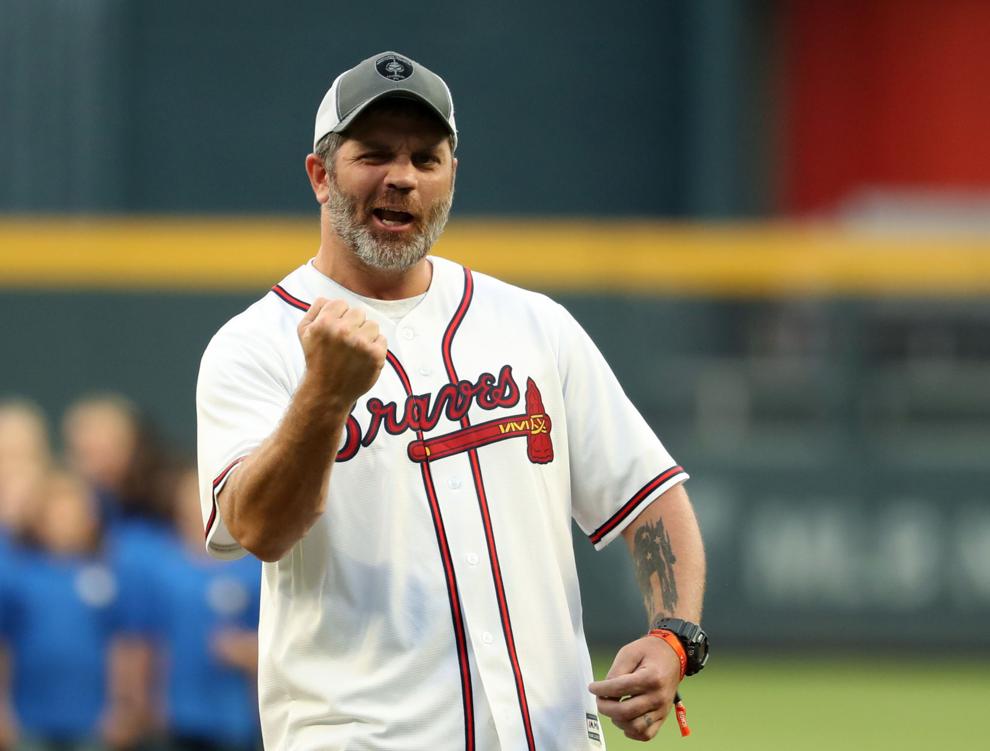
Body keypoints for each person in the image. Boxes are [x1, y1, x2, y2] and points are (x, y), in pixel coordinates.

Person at [196, 51, 707, 750]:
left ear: (451, 176)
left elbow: (648, 494)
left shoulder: (532, 324)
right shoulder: (257, 344)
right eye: (373, 154)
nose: (401, 176)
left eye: (425, 158)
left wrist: (673, 636)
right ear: (320, 175)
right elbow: (257, 527)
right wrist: (323, 398)